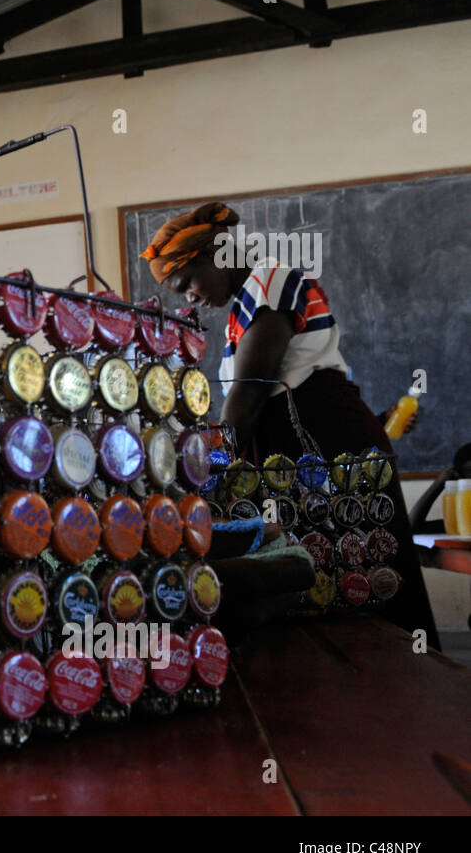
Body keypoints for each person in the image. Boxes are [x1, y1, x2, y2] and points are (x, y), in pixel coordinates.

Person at [142, 202, 440, 649]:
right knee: (328, 583)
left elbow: (250, 390)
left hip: (325, 453)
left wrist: (211, 468)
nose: (190, 298)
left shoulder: (271, 280)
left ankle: (407, 696)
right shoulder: (245, 305)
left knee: (364, 575)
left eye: (187, 283)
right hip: (311, 451)